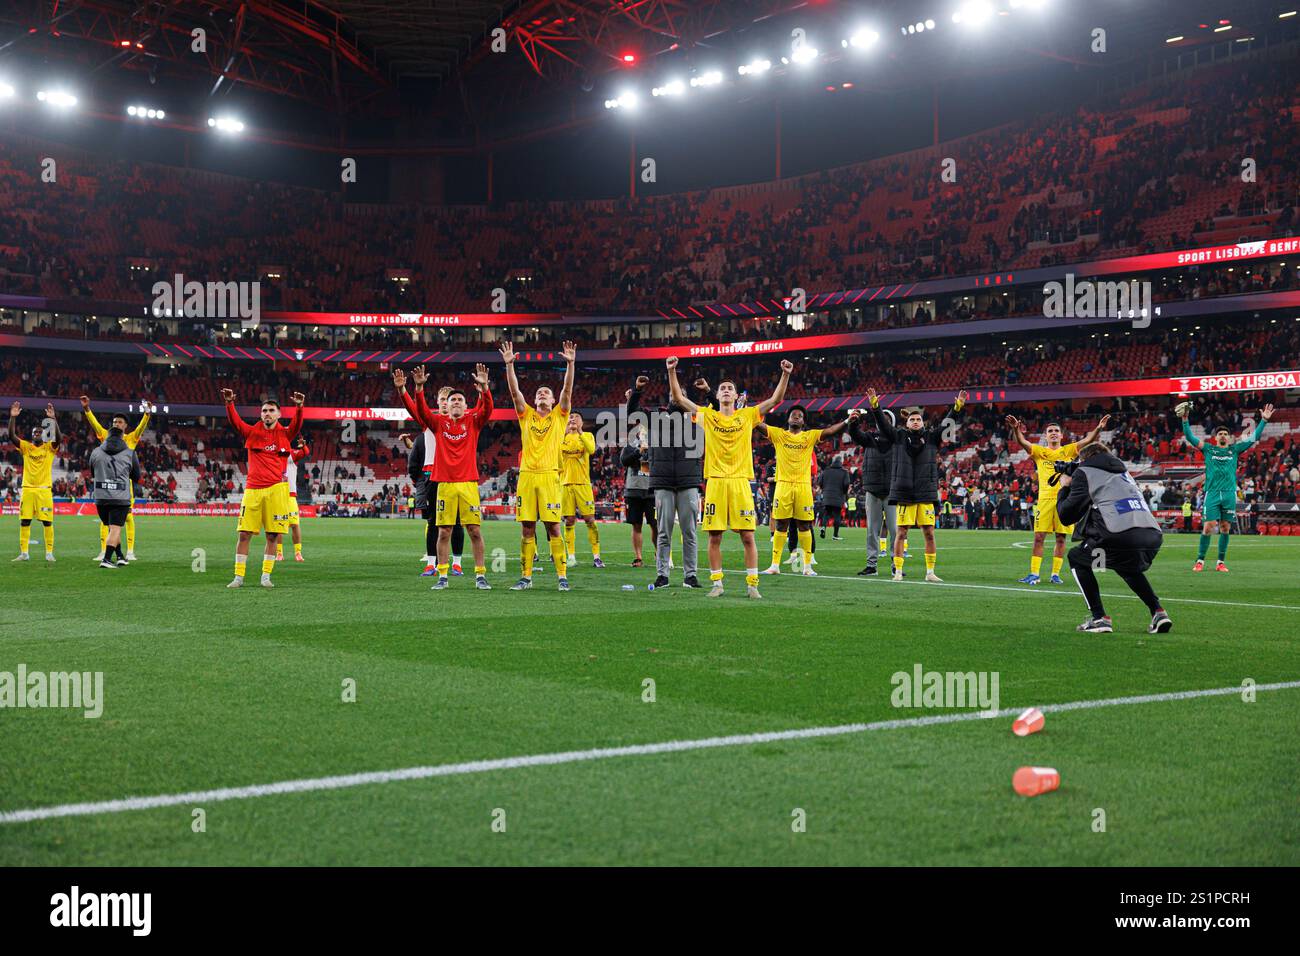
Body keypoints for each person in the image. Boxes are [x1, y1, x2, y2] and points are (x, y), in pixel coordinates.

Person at [667, 355, 792, 598]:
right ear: (719, 395)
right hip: (715, 481)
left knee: (747, 535)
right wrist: (671, 371)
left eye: (730, 389)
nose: (726, 390)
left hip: (740, 482)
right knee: (715, 536)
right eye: (723, 388)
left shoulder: (747, 416)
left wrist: (785, 374)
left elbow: (777, 399)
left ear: (736, 397)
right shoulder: (707, 415)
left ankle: (752, 584)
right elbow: (680, 399)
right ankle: (717, 584)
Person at [1055, 441, 1172, 634]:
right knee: (1126, 566)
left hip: (1117, 534)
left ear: (1085, 459)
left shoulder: (1085, 472)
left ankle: (1099, 618)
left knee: (1077, 558)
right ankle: (1158, 612)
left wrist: (1065, 486)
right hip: (1151, 534)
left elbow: (1066, 516)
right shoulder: (1123, 472)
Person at [393, 364, 493, 590]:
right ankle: (443, 576)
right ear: (445, 405)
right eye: (452, 400)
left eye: (460, 400)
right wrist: (417, 388)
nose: (456, 402)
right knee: (444, 530)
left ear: (467, 406)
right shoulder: (438, 423)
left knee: (474, 530)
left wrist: (485, 388)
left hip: (468, 483)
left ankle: (480, 575)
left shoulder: (473, 422)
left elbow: (487, 408)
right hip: (445, 484)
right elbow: (419, 410)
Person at [868, 388, 968, 583]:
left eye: (918, 419)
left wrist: (957, 408)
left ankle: (930, 572)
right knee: (901, 532)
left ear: (923, 423)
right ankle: (897, 571)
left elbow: (948, 424)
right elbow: (883, 423)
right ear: (906, 423)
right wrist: (875, 405)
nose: (915, 421)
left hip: (925, 492)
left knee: (929, 533)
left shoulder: (932, 437)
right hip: (904, 493)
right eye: (912, 420)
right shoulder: (897, 437)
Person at [500, 340, 575, 591]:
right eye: (538, 392)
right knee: (527, 527)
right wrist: (510, 365)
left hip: (550, 476)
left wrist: (570, 364)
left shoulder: (560, 416)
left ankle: (562, 576)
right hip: (527, 477)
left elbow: (567, 391)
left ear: (554, 401)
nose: (542, 394)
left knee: (554, 526)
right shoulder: (526, 415)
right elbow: (514, 392)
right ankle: (526, 576)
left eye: (546, 392)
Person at [626, 372, 712, 589]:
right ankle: (662, 574)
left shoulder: (698, 419)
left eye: (681, 394)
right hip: (663, 481)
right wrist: (636, 391)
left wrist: (709, 393)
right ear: (669, 398)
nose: (677, 397)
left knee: (689, 532)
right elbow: (632, 413)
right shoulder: (656, 418)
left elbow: (720, 414)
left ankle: (690, 575)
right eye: (674, 394)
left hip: (689, 481)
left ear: (686, 398)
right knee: (664, 532)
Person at [1006, 413, 1109, 584]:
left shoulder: (1068, 450)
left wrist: (1098, 428)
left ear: (1061, 435)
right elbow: (1022, 442)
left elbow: (1089, 441)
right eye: (1050, 431)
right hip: (1045, 500)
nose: (1053, 433)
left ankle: (1055, 574)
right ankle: (1034, 573)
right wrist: (1016, 429)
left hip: (1065, 501)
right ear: (1045, 436)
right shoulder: (1040, 452)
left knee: (1061, 538)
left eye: (1056, 431)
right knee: (1039, 537)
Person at [221, 388, 305, 589]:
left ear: (278, 414)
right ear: (261, 414)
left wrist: (300, 407)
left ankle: (265, 576)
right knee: (244, 534)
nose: (267, 413)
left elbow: (297, 424)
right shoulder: (252, 431)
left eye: (271, 410)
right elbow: (236, 423)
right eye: (264, 411)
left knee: (272, 535)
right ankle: (238, 577)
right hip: (252, 490)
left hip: (277, 490)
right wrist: (229, 404)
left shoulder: (285, 434)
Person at [758, 404, 852, 575]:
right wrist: (744, 412)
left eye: (799, 415)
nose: (796, 416)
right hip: (783, 485)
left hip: (803, 486)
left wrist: (847, 420)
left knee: (804, 525)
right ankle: (774, 565)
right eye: (793, 414)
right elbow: (759, 425)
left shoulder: (809, 436)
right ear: (787, 419)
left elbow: (830, 431)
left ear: (803, 422)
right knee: (781, 524)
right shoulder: (779, 435)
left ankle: (807, 566)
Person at [1179, 403, 1274, 571]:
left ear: (1230, 438)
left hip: (1229, 493)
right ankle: (1200, 560)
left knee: (1225, 528)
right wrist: (1185, 419)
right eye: (1220, 434)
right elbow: (1189, 437)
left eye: (1225, 434)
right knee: (1208, 527)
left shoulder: (1235, 449)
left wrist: (1264, 421)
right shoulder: (1208, 449)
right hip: (1213, 493)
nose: (1223, 436)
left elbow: (1253, 438)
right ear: (1215, 438)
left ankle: (1220, 562)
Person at [81, 396, 150, 562]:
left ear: (125, 426)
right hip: (107, 484)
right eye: (115, 422)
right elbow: (95, 425)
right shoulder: (106, 436)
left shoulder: (131, 438)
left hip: (124, 485)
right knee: (107, 521)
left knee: (128, 517)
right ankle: (105, 550)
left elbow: (141, 429)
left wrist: (147, 414)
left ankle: (130, 551)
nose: (116, 424)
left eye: (120, 422)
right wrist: (87, 410)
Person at [7, 401, 57, 562]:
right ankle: (24, 553)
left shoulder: (49, 448)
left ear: (44, 435)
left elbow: (60, 438)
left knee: (47, 522)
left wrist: (53, 419)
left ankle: (49, 553)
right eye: (34, 432)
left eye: (39, 432)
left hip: (44, 490)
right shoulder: (26, 447)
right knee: (25, 521)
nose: (36, 434)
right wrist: (13, 418)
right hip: (27, 489)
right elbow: (11, 436)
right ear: (31, 435)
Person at [849, 407, 896, 576]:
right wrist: (853, 425)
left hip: (892, 491)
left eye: (887, 419)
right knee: (872, 531)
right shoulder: (870, 438)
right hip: (873, 490)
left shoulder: (896, 437)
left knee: (895, 530)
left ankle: (896, 564)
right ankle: (872, 565)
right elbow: (856, 435)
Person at [88, 426, 141, 569]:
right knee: (116, 529)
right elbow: (136, 477)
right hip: (120, 497)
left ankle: (120, 556)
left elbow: (92, 472)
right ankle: (106, 559)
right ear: (122, 437)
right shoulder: (130, 453)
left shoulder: (96, 452)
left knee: (112, 528)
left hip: (100, 498)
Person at [560, 412, 603, 567]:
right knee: (569, 521)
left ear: (582, 422)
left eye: (576, 417)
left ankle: (596, 556)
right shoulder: (561, 438)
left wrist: (579, 431)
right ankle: (571, 556)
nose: (572, 418)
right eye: (570, 417)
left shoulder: (587, 435)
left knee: (590, 520)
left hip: (583, 484)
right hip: (565, 484)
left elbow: (591, 450)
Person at [619, 417, 657, 568]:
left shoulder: (657, 445)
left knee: (655, 525)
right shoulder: (630, 445)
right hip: (634, 490)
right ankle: (638, 557)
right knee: (636, 525)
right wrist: (638, 451)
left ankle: (659, 554)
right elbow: (624, 461)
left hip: (652, 490)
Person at [276, 437, 310, 562]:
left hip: (290, 494)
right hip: (277, 494)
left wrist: (303, 445)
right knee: (278, 525)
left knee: (295, 524)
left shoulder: (291, 453)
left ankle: (298, 553)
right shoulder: (272, 454)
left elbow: (305, 452)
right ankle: (279, 553)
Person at [818, 456, 851, 540]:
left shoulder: (826, 471)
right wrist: (844, 492)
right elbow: (846, 483)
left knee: (826, 513)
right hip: (838, 496)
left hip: (827, 495)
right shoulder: (844, 472)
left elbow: (820, 482)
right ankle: (835, 535)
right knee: (837, 515)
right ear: (841, 462)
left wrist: (824, 489)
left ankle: (823, 527)